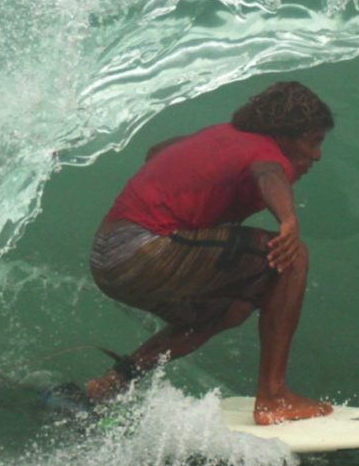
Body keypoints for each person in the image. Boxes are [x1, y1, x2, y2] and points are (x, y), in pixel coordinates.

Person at [78, 81, 335, 425]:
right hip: (144, 248)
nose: (317, 155)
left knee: (230, 310)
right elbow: (268, 174)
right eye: (313, 141)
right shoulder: (268, 153)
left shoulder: (219, 136)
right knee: (293, 258)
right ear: (287, 134)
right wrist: (288, 219)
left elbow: (157, 151)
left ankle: (111, 384)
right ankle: (274, 398)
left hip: (108, 257)